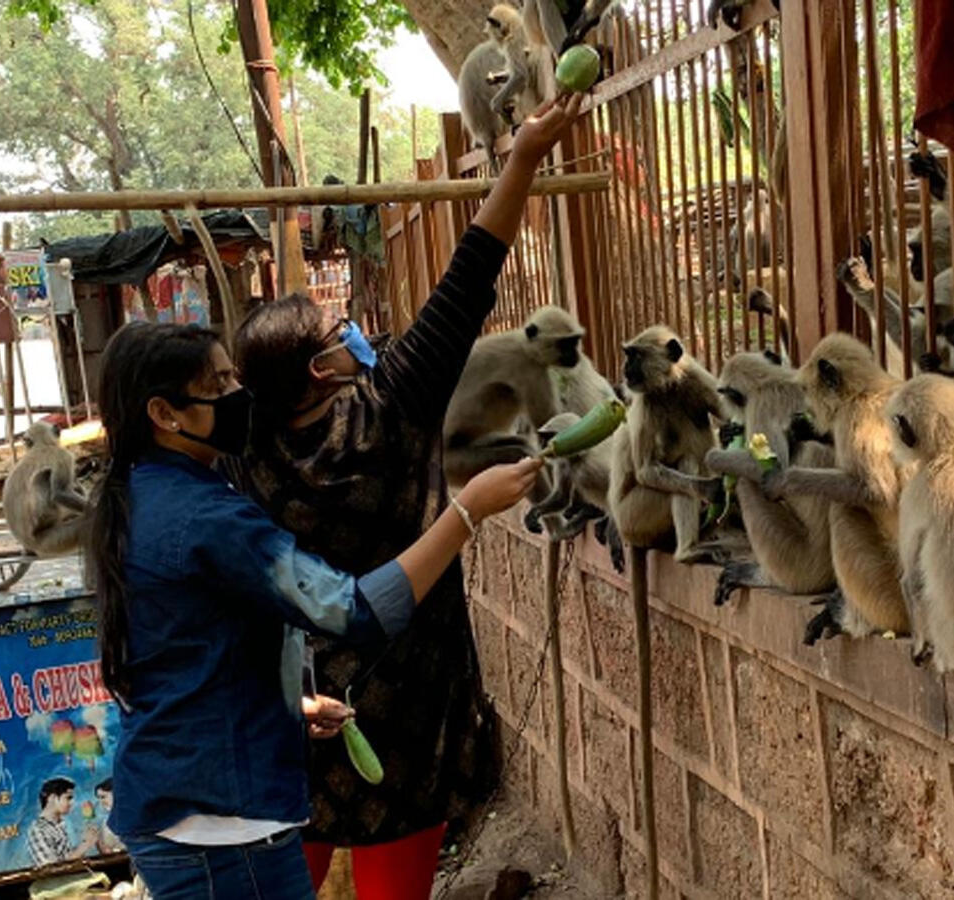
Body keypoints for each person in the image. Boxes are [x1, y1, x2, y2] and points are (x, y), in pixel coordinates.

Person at [228, 93, 584, 899]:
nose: (351, 330)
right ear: (320, 370)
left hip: (297, 717)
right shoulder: (393, 406)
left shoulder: (243, 459)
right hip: (413, 725)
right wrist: (524, 158)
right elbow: (472, 272)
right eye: (336, 332)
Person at [88, 321, 543, 900]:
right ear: (164, 413)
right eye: (219, 384)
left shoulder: (137, 498)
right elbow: (354, 611)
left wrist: (286, 705)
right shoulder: (209, 520)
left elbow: (183, 650)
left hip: (181, 804)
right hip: (223, 827)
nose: (239, 395)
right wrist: (467, 512)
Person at [27, 777, 97, 866]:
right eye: (68, 798)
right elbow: (51, 869)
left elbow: (66, 859)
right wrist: (85, 845)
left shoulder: (60, 825)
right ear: (52, 798)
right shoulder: (38, 829)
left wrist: (86, 842)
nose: (72, 802)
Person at [94, 778, 124, 854]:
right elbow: (106, 851)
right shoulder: (106, 823)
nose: (101, 802)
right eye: (99, 798)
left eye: (103, 797)